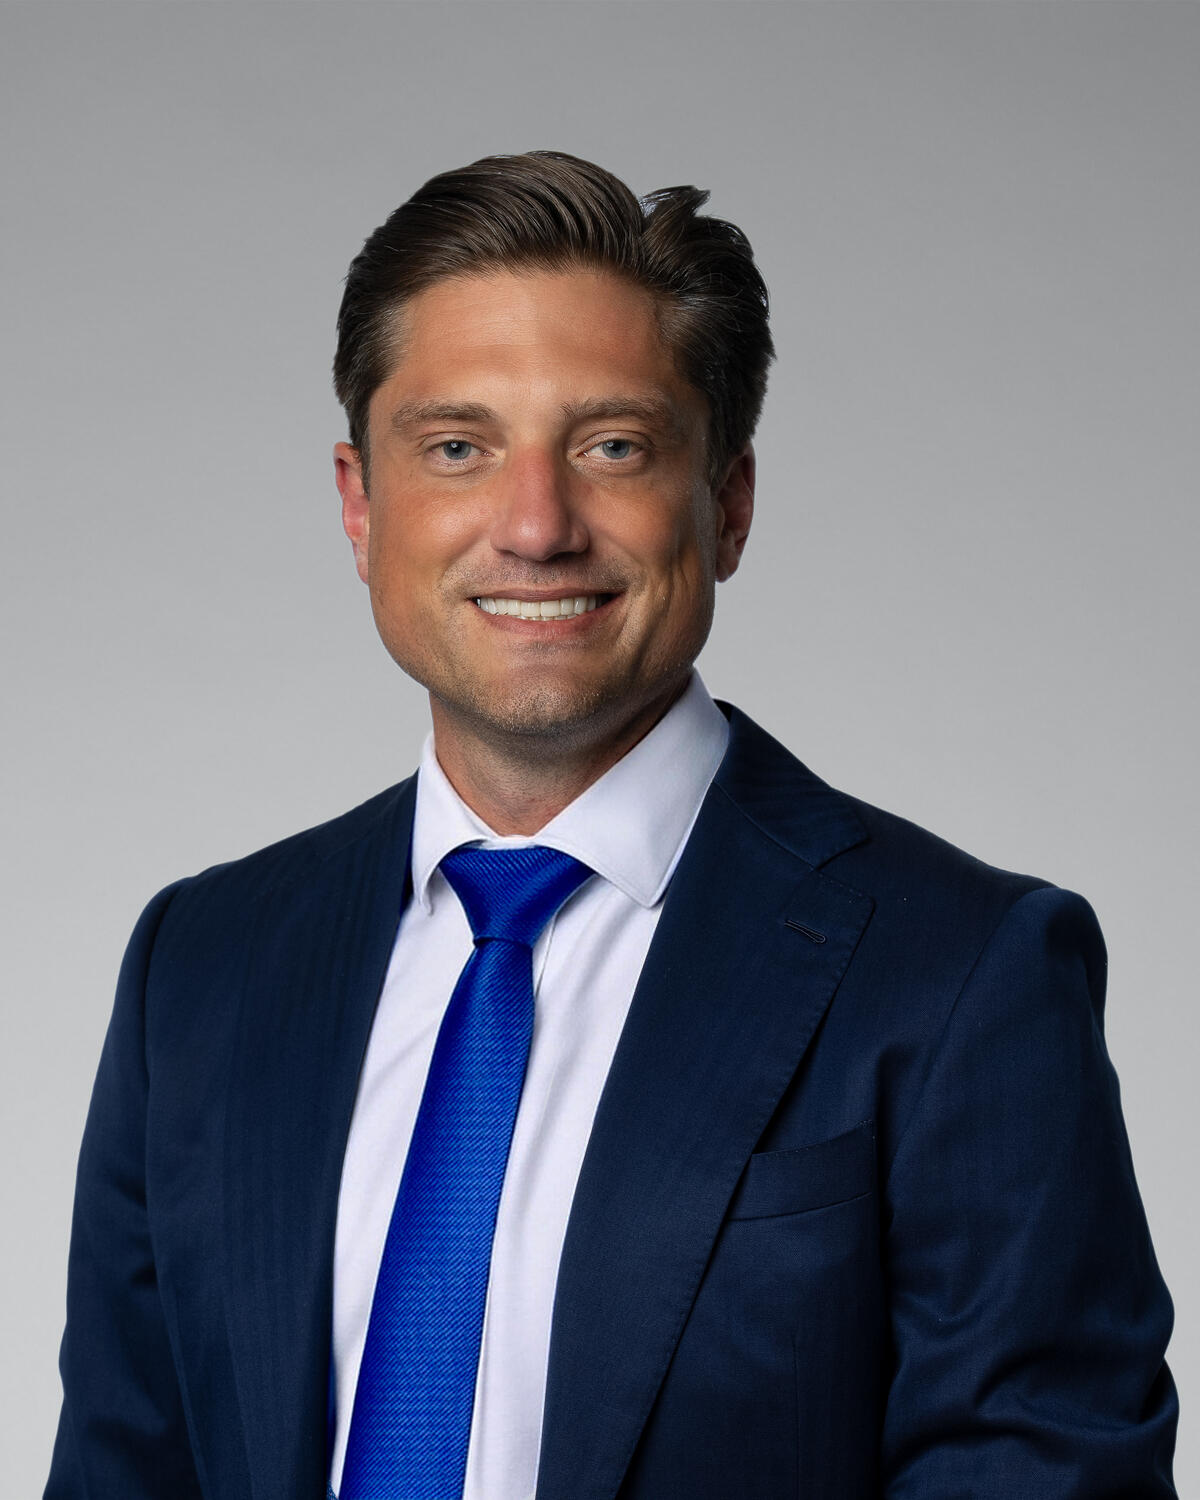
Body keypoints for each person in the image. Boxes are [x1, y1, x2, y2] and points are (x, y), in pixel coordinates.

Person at [46, 151, 1178, 1500]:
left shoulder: (967, 973)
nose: (536, 526)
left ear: (728, 504)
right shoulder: (203, 967)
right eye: (458, 448)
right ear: (360, 506)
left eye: (613, 447)